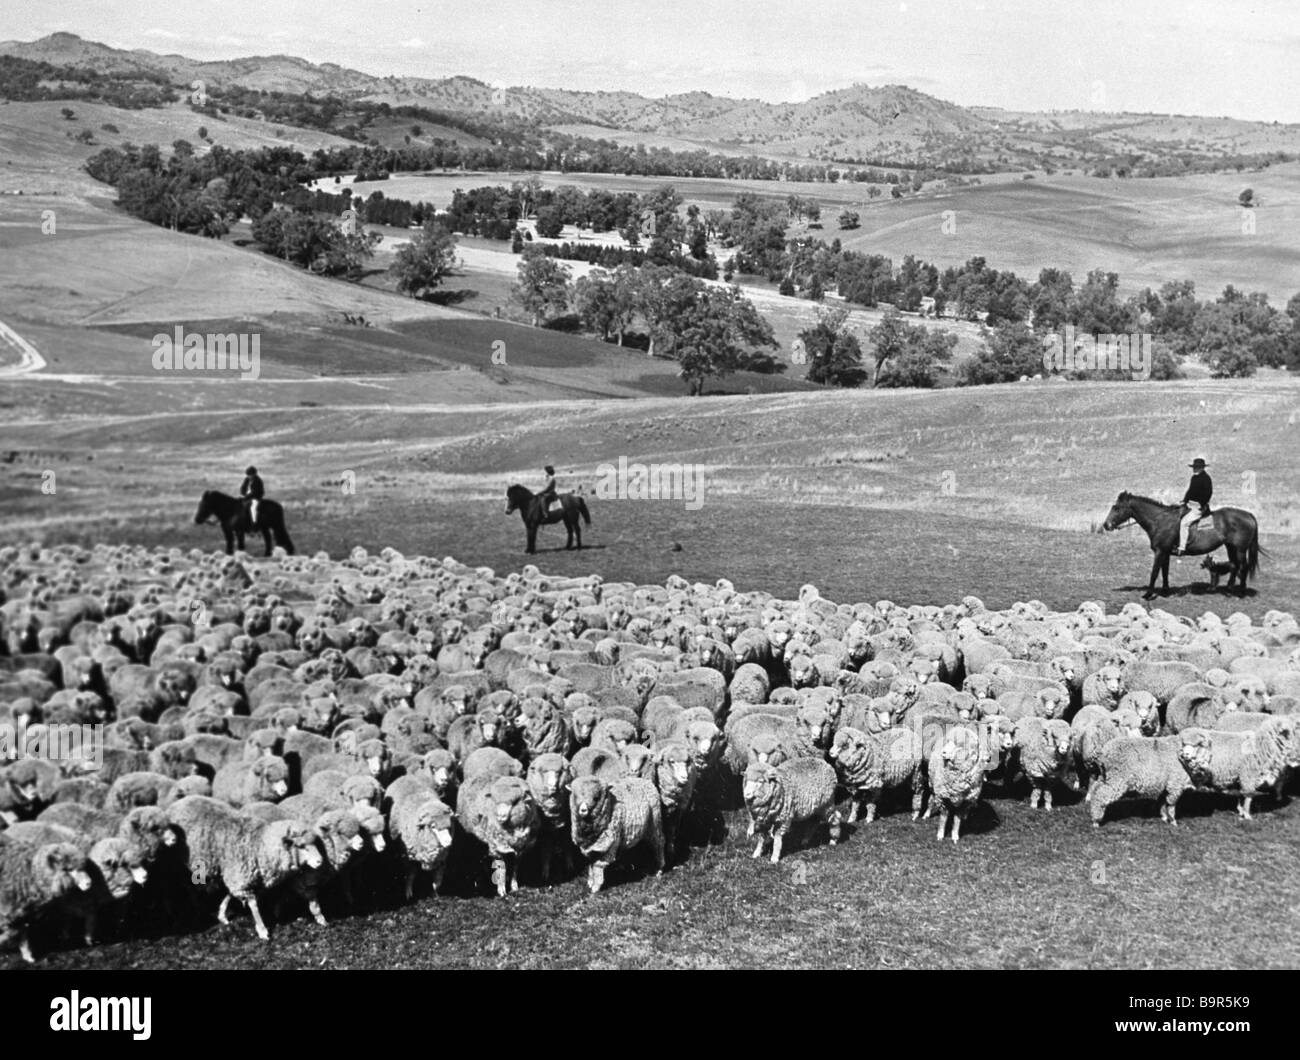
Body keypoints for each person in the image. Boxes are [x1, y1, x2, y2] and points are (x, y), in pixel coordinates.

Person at [1173, 458, 1212, 555]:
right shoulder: (1194, 478)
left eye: (1197, 467)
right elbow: (1189, 491)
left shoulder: (1206, 479)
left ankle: (1182, 548)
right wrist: (1184, 501)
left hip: (1199, 507)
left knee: (1184, 523)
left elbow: (1208, 493)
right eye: (1194, 467)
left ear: (1202, 468)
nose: (1195, 469)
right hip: (1190, 505)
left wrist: (1201, 504)